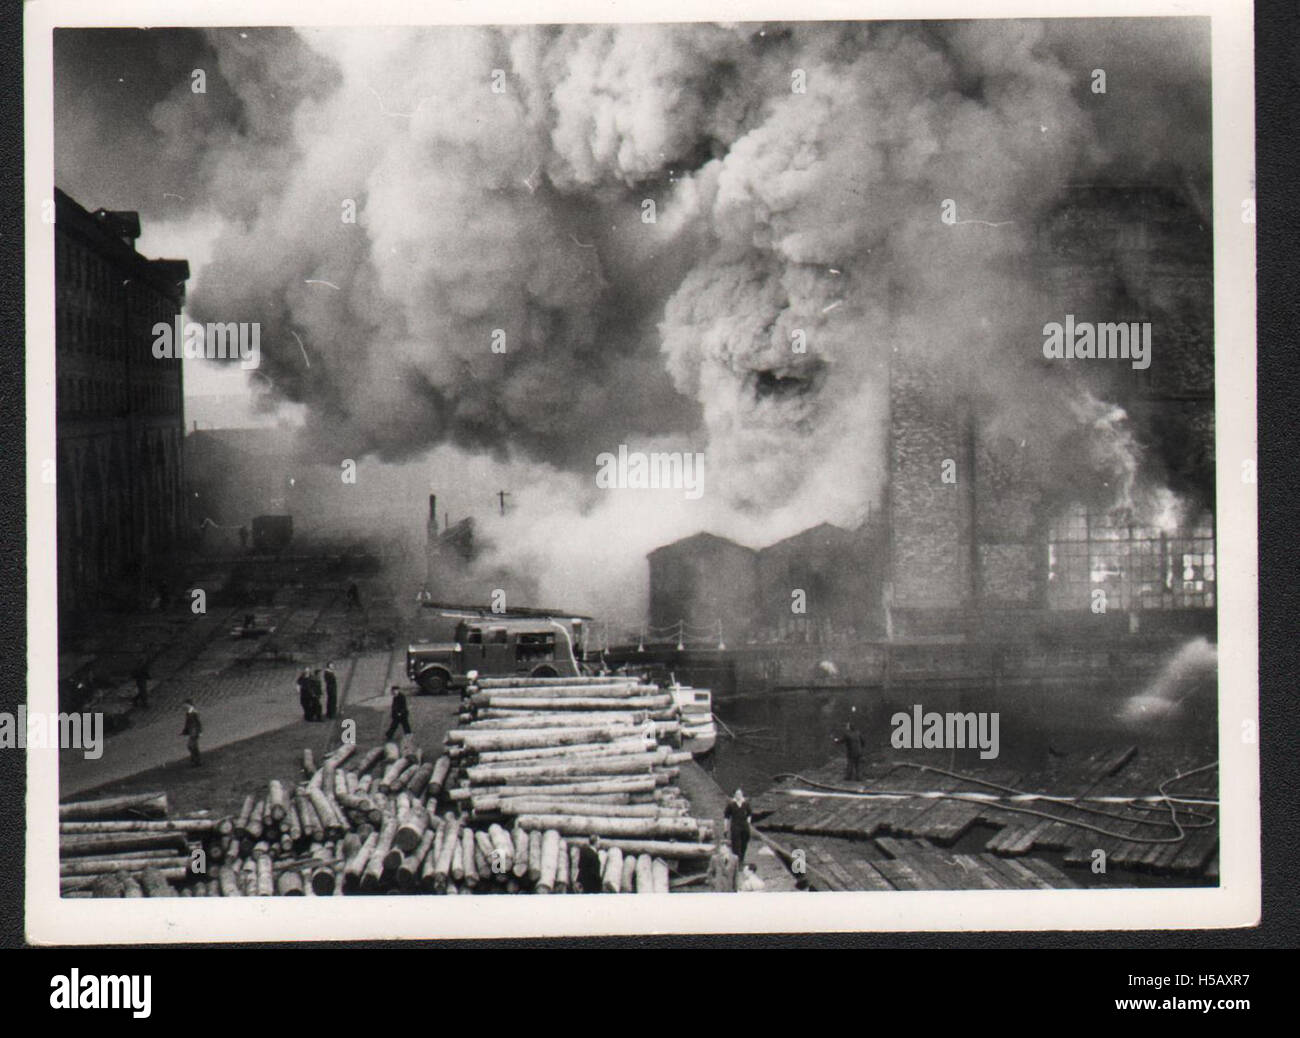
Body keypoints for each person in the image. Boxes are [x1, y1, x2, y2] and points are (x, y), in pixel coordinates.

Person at [723, 788, 752, 866]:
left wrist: (748, 822)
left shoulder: (745, 804)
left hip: (744, 826)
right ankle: (737, 862)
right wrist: (725, 829)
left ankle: (741, 860)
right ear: (734, 795)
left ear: (742, 795)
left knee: (744, 843)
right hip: (735, 826)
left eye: (740, 794)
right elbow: (726, 817)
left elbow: (749, 814)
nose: (738, 796)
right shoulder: (731, 805)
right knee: (736, 844)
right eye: (737, 794)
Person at [180, 700, 202, 766]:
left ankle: (196, 761)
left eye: (185, 705)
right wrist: (185, 731)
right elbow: (188, 724)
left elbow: (198, 723)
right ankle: (195, 760)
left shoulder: (193, 712)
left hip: (194, 732)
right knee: (192, 746)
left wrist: (199, 731)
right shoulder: (189, 713)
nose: (184, 707)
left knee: (191, 746)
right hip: (192, 732)